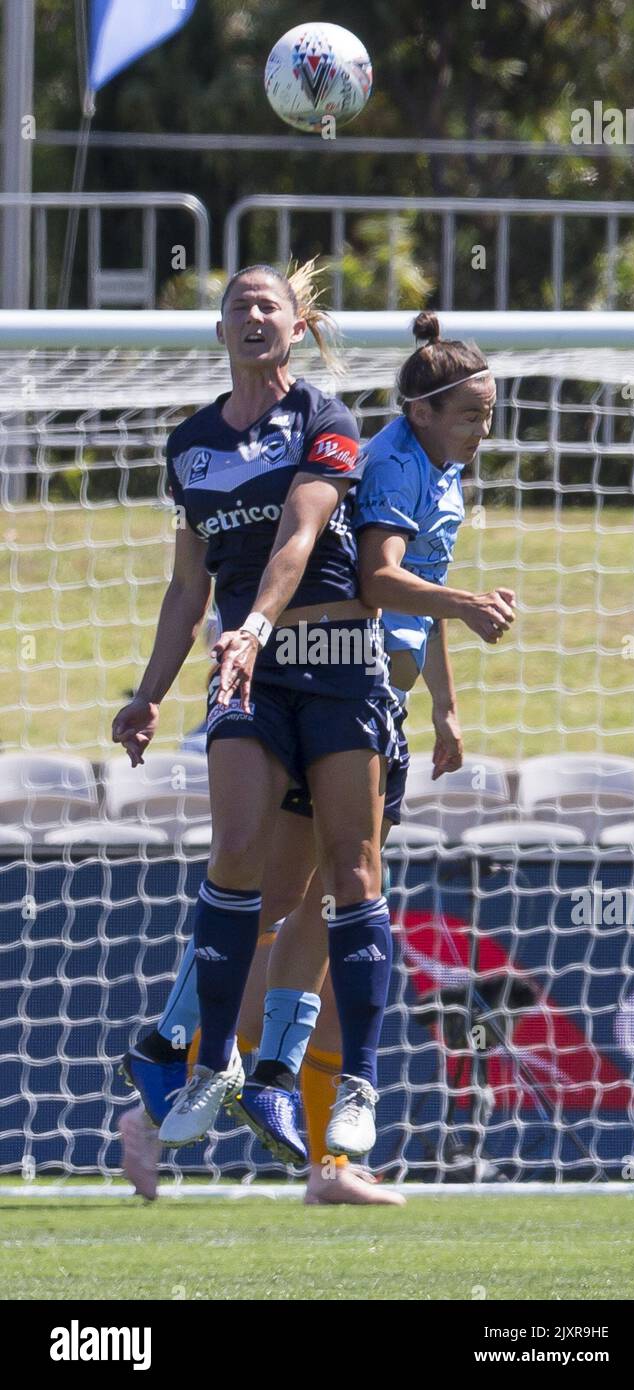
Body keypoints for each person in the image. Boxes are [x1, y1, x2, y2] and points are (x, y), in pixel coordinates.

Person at [119, 311, 516, 1200]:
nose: (484, 430)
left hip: (361, 691)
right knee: (290, 905)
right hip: (315, 677)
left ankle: (295, 1130)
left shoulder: (433, 476)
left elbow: (415, 607)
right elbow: (376, 580)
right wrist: (234, 638)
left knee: (317, 910)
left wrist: (445, 708)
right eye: (472, 414)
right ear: (424, 411)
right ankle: (185, 1083)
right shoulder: (375, 459)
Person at [113, 260, 400, 1163]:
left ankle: (353, 1081)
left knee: (340, 874)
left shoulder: (325, 419)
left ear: (294, 326)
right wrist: (148, 692)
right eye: (236, 304)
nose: (249, 315)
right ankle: (215, 1062)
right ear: (219, 331)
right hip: (245, 672)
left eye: (265, 304)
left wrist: (258, 624)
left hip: (337, 664)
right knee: (236, 856)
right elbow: (185, 584)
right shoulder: (190, 444)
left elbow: (301, 534)